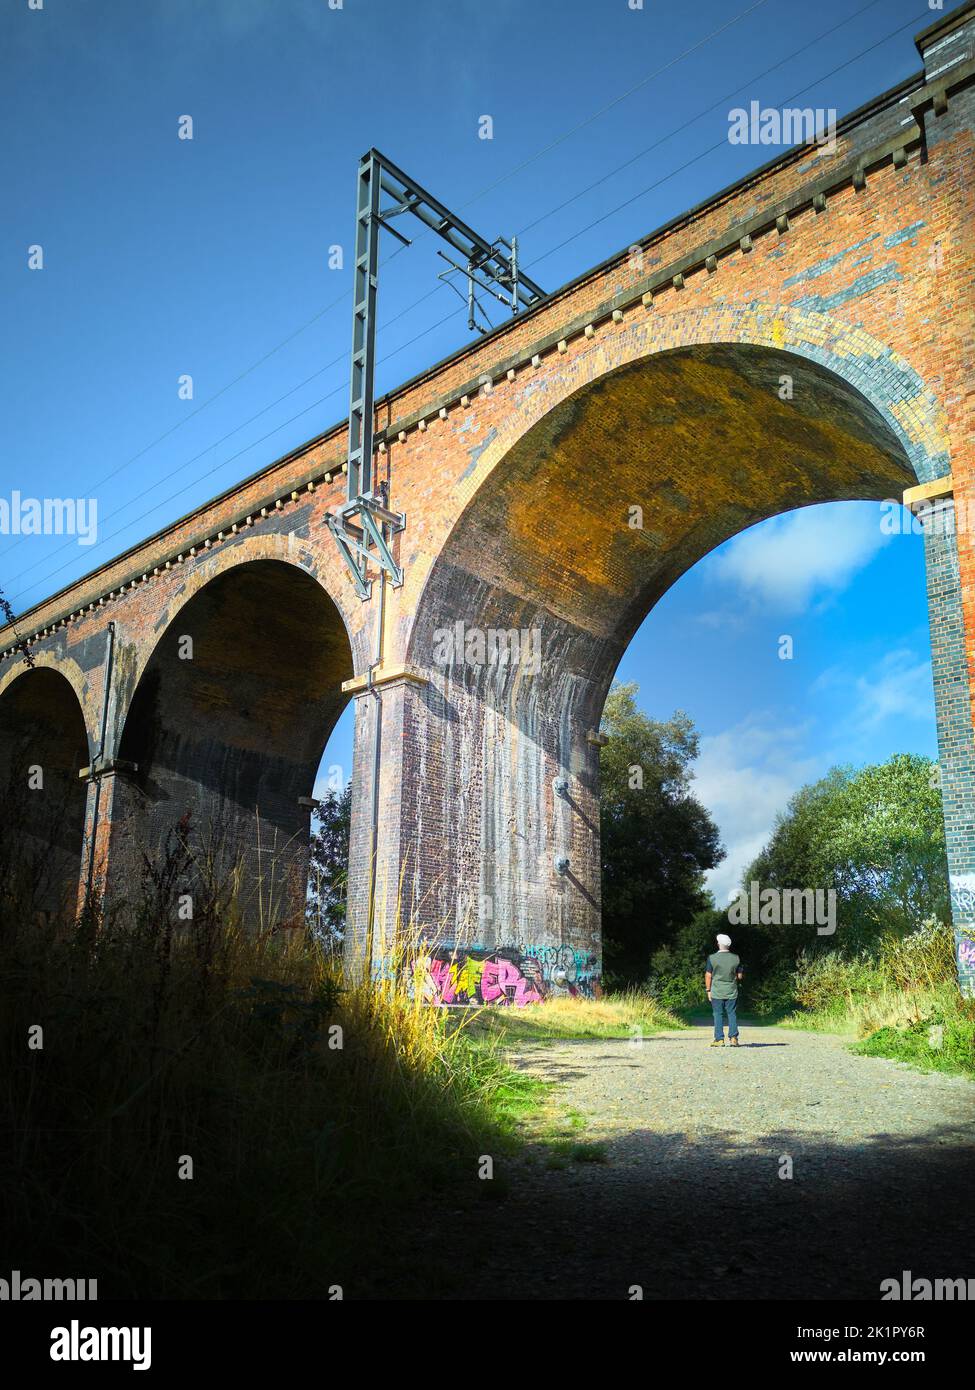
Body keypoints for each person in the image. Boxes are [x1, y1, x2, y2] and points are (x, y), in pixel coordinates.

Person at [705, 933, 743, 1047]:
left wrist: (708, 990)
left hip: (717, 991)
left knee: (718, 1014)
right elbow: (740, 976)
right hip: (732, 990)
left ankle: (719, 1039)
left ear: (718, 944)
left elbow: (708, 975)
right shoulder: (736, 958)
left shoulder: (712, 958)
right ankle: (733, 1038)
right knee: (731, 1013)